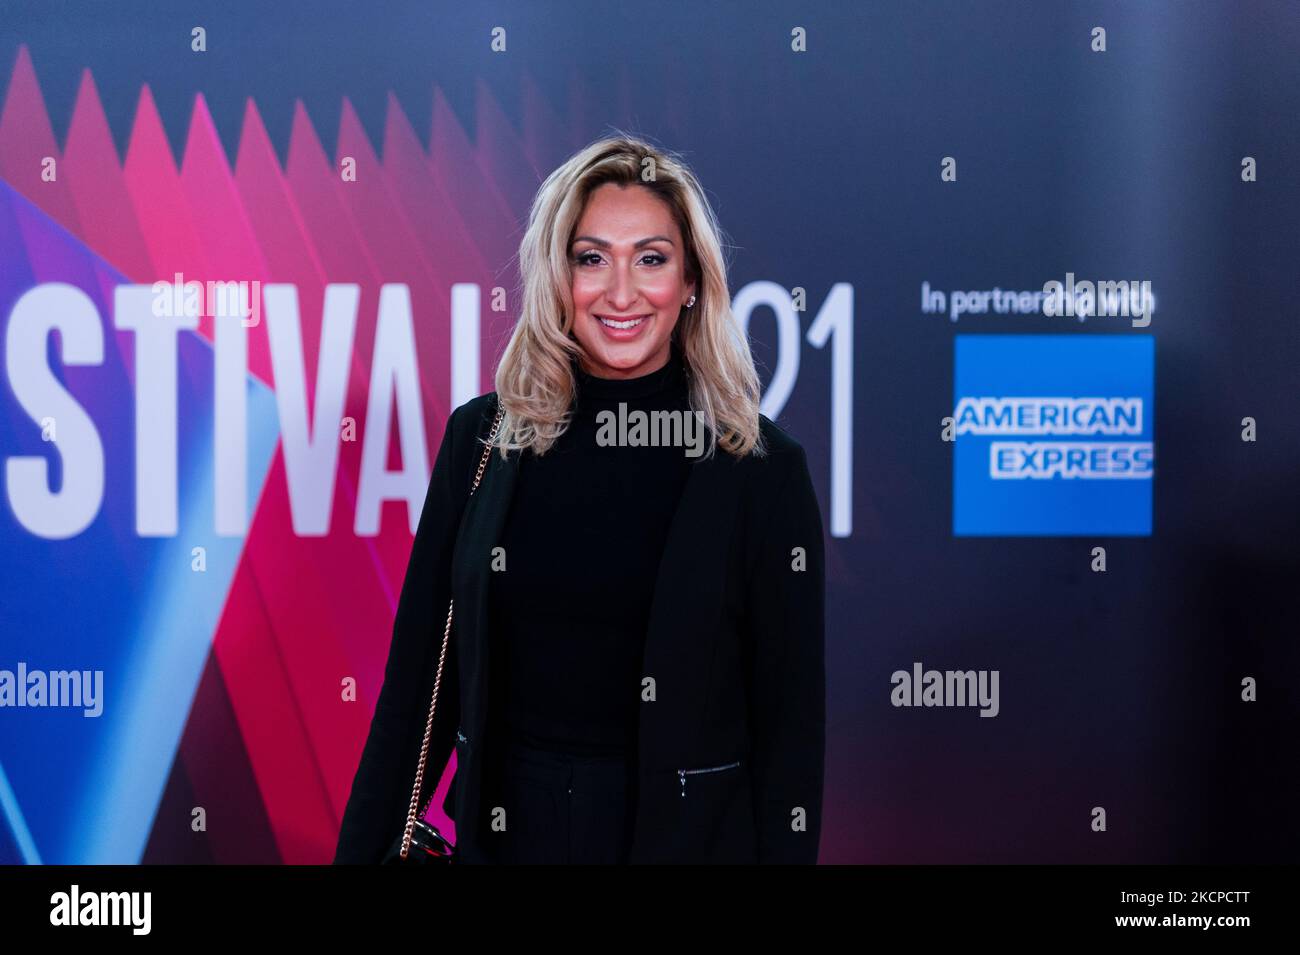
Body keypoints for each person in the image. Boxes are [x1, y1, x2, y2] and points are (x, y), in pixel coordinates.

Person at [333, 133, 825, 864]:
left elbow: (789, 740)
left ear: (691, 280)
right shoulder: (482, 439)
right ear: (556, 278)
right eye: (591, 258)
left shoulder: (760, 469)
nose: (620, 292)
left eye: (650, 259)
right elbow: (416, 695)